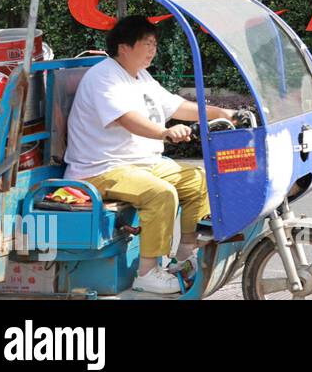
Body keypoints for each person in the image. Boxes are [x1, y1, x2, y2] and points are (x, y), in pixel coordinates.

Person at [65, 16, 234, 295]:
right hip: (99, 169)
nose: (152, 50)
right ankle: (147, 272)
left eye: (154, 43)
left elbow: (178, 106)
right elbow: (127, 119)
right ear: (124, 47)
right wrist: (164, 133)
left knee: (198, 179)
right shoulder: (104, 77)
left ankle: (185, 254)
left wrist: (220, 113)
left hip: (139, 165)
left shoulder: (141, 77)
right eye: (147, 43)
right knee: (161, 193)